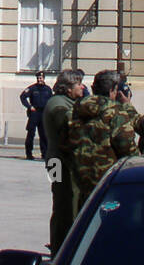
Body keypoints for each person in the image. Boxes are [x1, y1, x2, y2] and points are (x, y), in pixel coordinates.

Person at [66, 70, 138, 205]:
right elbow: (126, 145)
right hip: (108, 180)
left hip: (82, 178)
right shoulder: (115, 111)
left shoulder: (76, 109)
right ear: (113, 90)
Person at [43, 68, 85, 255]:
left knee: (65, 202)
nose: (82, 87)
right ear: (68, 88)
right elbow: (68, 132)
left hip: (57, 160)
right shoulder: (59, 105)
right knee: (64, 203)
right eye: (78, 84)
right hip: (58, 162)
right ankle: (60, 249)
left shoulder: (67, 102)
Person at [20, 71, 53, 160]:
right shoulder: (32, 88)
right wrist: (29, 107)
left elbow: (51, 100)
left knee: (43, 134)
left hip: (43, 113)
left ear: (44, 79)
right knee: (31, 133)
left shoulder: (48, 89)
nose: (39, 80)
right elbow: (22, 97)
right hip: (34, 113)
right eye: (38, 78)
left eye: (41, 78)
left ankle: (45, 154)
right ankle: (29, 153)